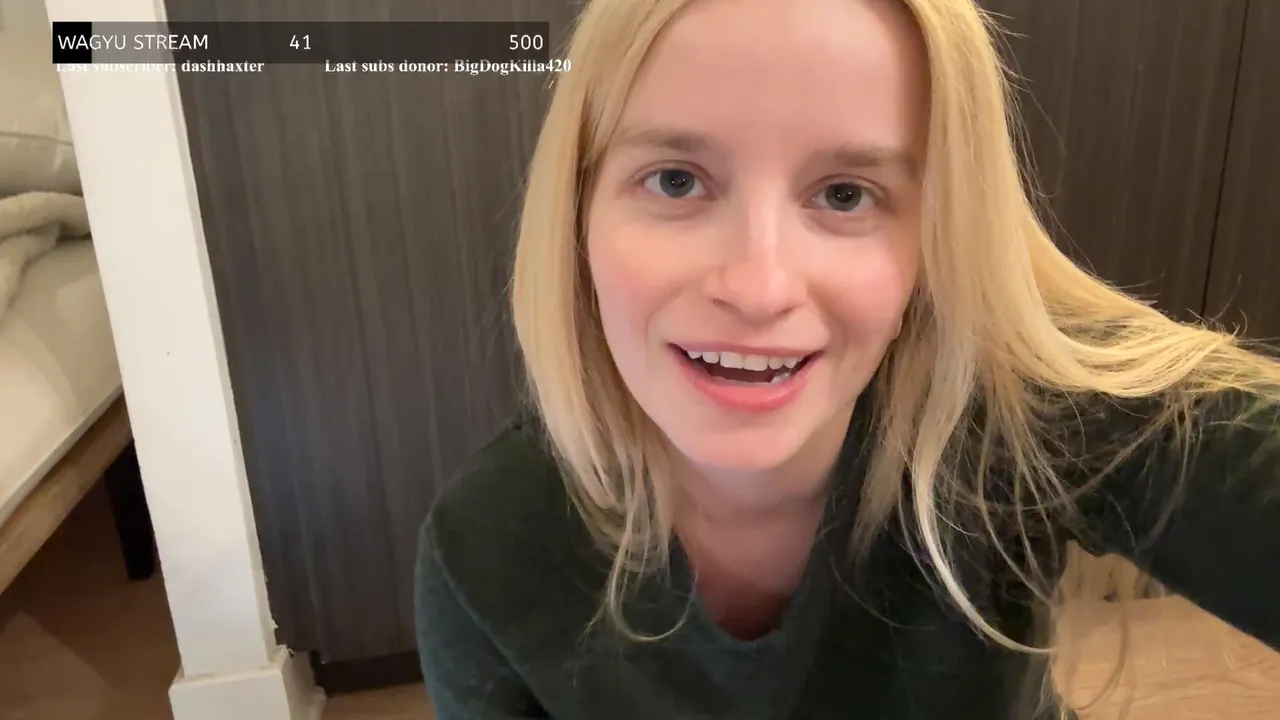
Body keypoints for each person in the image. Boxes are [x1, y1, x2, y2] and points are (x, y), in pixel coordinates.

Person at [414, 0, 1280, 717]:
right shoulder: (487, 548)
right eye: (676, 179)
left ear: (935, 238)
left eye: (845, 194)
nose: (758, 287)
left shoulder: (1020, 414)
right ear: (577, 214)